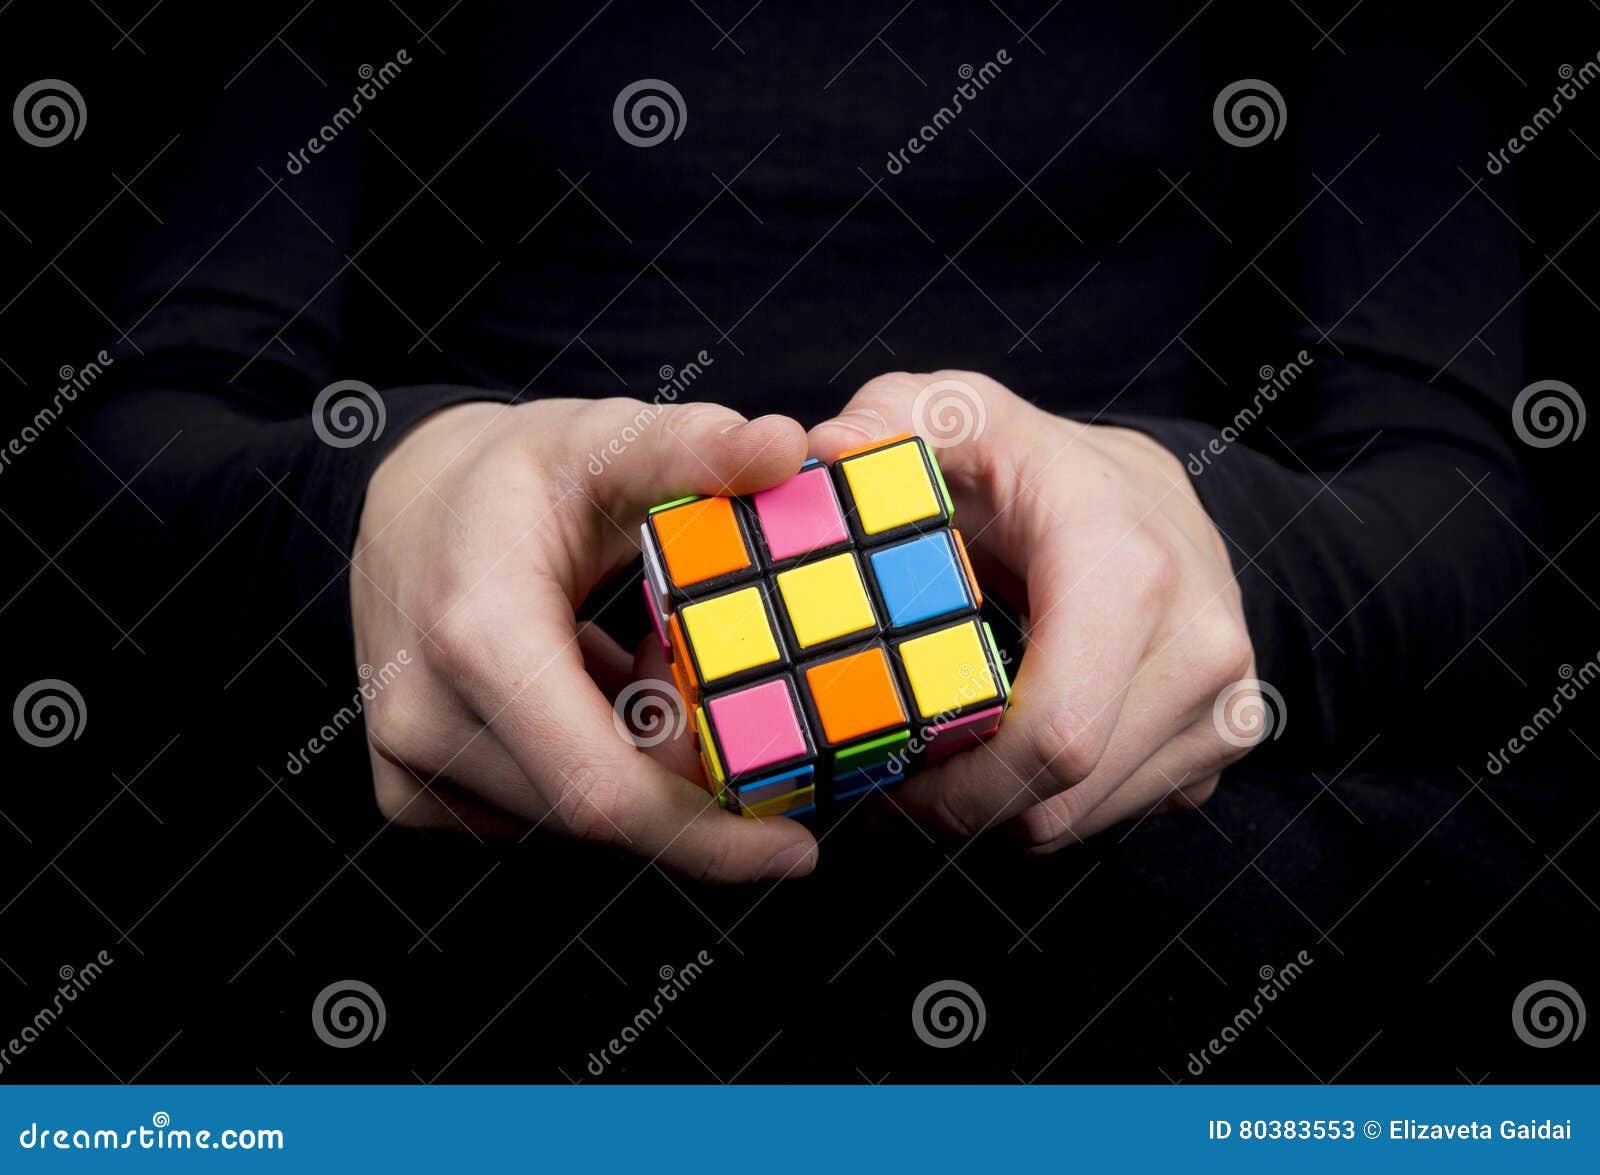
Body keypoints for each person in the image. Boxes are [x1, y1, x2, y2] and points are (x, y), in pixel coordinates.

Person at [78, 3, 1536, 884]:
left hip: (1159, 900)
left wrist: (1204, 532)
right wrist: (392, 488)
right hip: (459, 864)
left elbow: (1464, 502)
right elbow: (130, 443)